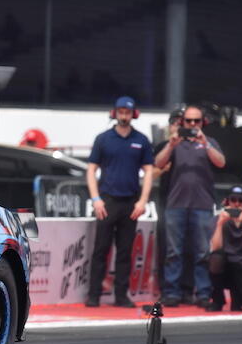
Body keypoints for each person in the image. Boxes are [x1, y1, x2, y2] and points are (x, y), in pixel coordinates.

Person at [85, 96, 154, 308]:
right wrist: (96, 199)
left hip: (130, 203)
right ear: (115, 113)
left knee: (125, 251)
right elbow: (91, 170)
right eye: (121, 111)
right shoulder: (103, 138)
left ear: (133, 114)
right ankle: (94, 294)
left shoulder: (141, 140)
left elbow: (149, 171)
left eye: (128, 112)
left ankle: (121, 295)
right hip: (107, 201)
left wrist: (143, 201)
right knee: (100, 250)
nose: (124, 115)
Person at [154, 104, 225, 307]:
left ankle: (203, 293)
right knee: (173, 252)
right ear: (182, 122)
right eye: (189, 121)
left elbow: (221, 162)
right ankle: (172, 292)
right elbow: (158, 163)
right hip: (176, 204)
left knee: (202, 252)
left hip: (202, 204)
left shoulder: (209, 142)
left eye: (196, 121)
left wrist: (205, 143)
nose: (192, 125)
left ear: (203, 123)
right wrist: (171, 144)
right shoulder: (174, 143)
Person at [152, 108, 195, 300]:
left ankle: (187, 289)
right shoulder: (163, 145)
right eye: (175, 123)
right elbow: (151, 172)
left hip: (190, 202)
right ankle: (167, 289)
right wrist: (163, 168)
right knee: (168, 249)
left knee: (190, 247)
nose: (179, 126)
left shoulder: (195, 146)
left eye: (182, 123)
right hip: (168, 201)